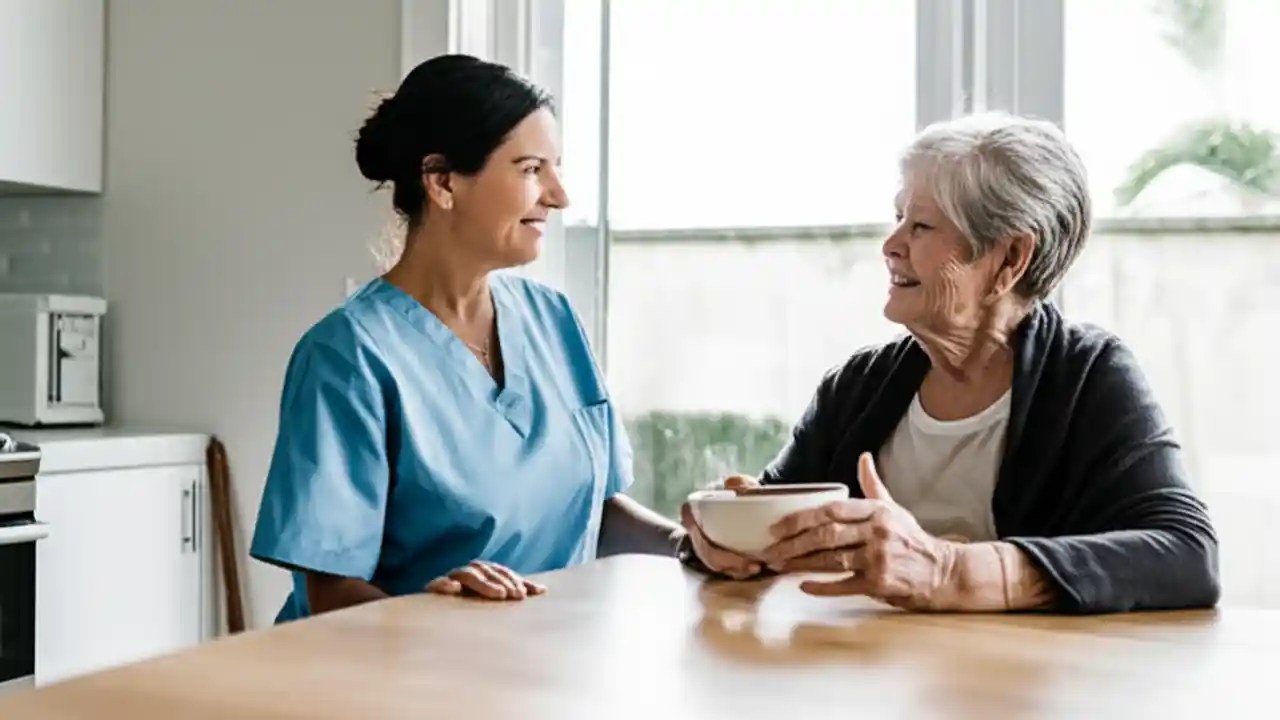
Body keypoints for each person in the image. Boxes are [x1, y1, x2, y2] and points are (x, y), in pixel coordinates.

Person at [679, 112, 1221, 614]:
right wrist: (722, 539)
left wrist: (952, 571)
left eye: (922, 226)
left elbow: (1186, 554)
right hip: (861, 686)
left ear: (1009, 259)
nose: (891, 245)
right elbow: (772, 525)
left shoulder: (1088, 376)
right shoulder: (858, 387)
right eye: (898, 218)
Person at [250, 54, 683, 623]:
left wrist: (694, 544)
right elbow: (332, 597)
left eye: (556, 168)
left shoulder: (553, 320)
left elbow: (596, 512)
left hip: (539, 672)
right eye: (531, 169)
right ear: (443, 181)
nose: (559, 195)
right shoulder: (347, 357)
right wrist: (436, 616)